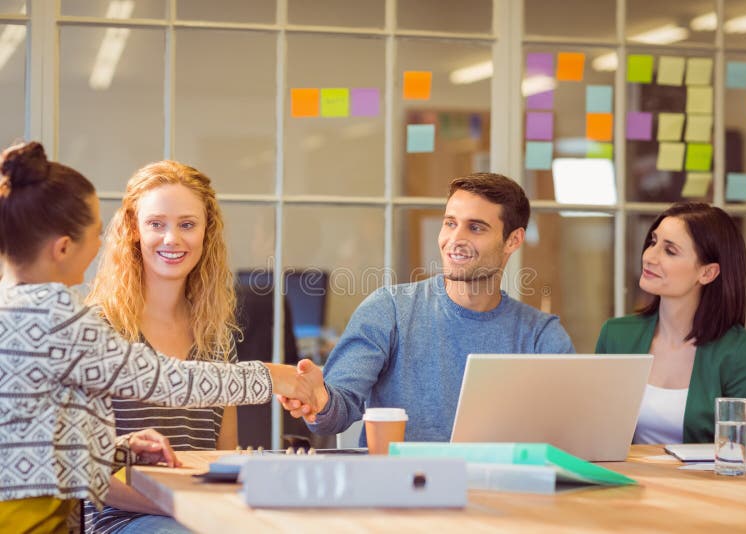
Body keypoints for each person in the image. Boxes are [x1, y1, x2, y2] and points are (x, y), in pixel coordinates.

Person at [0, 142, 318, 532]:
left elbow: (44, 444)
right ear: (63, 247)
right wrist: (273, 376)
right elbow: (165, 379)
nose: (102, 244)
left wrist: (119, 450)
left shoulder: (19, 310)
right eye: (96, 233)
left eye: (187, 224)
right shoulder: (60, 318)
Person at [279, 172, 575, 443]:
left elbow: (574, 429)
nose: (455, 239)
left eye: (475, 228)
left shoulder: (540, 335)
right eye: (450, 223)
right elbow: (337, 409)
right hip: (400, 482)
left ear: (513, 240)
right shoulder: (390, 311)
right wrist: (320, 400)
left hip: (501, 483)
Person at [82, 160, 261, 532]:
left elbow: (223, 456)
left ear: (207, 232)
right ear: (134, 229)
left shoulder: (216, 336)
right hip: (120, 517)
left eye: (187, 225)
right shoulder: (97, 329)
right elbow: (87, 474)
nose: (171, 239)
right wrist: (181, 506)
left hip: (199, 514)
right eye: (156, 224)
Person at [595, 202, 746, 444]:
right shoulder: (615, 336)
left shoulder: (738, 349)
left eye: (670, 251)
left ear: (707, 273)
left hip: (705, 471)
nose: (649, 257)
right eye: (653, 242)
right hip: (627, 470)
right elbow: (595, 430)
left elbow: (740, 447)